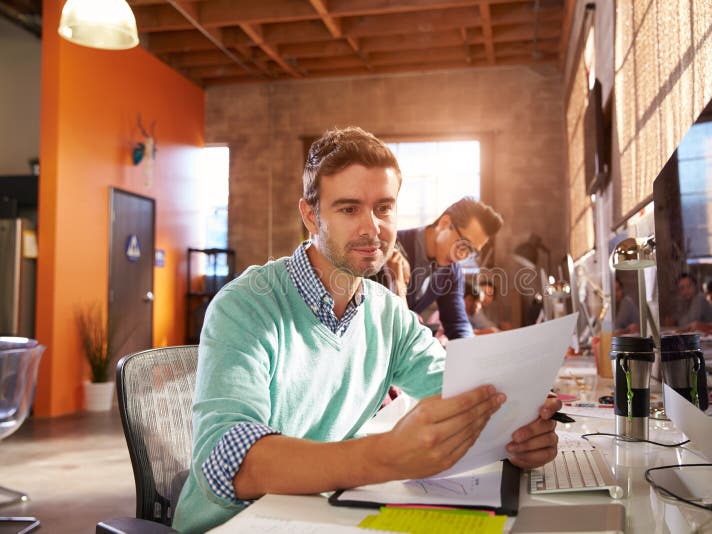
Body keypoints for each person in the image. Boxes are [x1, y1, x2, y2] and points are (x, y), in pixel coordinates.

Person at [172, 127, 561, 533]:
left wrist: (518, 429)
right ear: (310, 216)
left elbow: (461, 391)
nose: (372, 228)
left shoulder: (387, 314)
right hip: (233, 525)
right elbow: (228, 464)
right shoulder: (246, 305)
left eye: (384, 208)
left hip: (320, 517)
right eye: (348, 209)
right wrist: (386, 456)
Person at [384, 197, 504, 340]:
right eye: (464, 245)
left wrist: (469, 346)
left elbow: (457, 323)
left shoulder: (452, 271)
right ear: (444, 223)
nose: (462, 256)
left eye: (471, 251)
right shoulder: (391, 248)